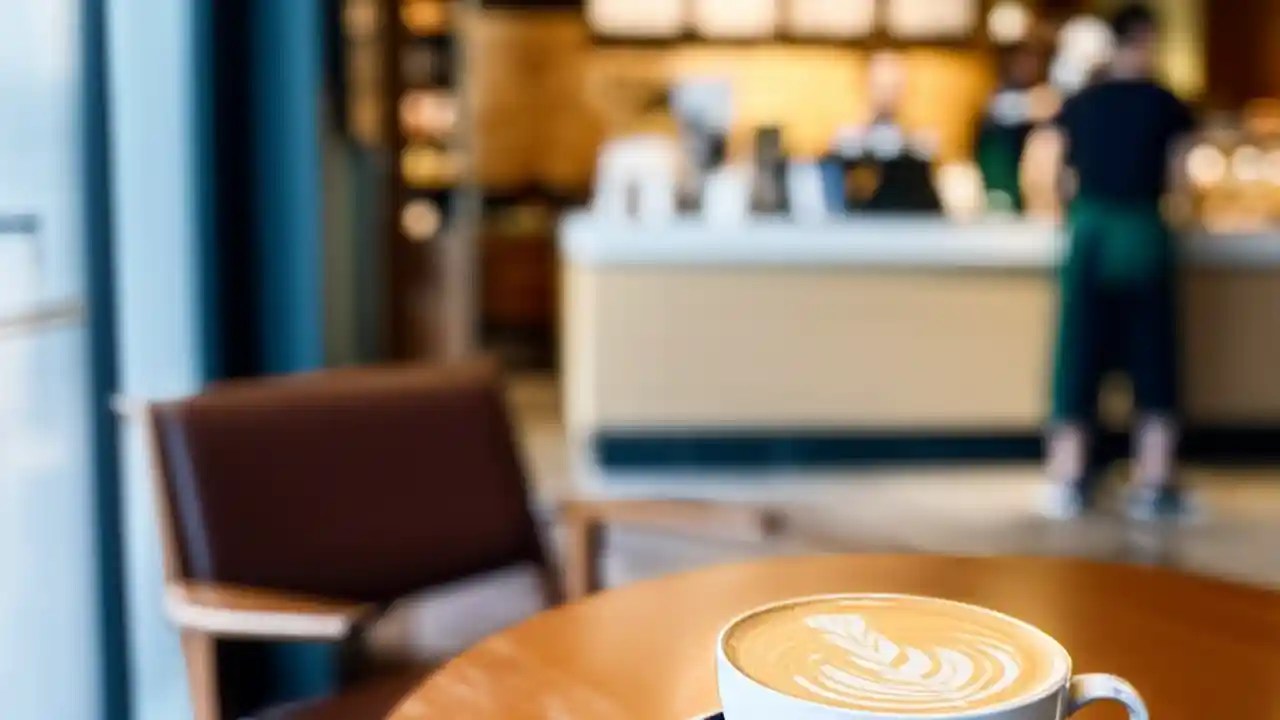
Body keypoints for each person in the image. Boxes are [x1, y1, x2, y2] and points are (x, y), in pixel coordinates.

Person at [1042, 4, 1195, 521]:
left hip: (1090, 235)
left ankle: (1068, 478)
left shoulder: (1082, 102)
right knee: (1153, 359)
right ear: (1147, 41)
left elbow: (1053, 177)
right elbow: (1180, 184)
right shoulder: (1166, 105)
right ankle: (1153, 482)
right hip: (1143, 235)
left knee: (1078, 357)